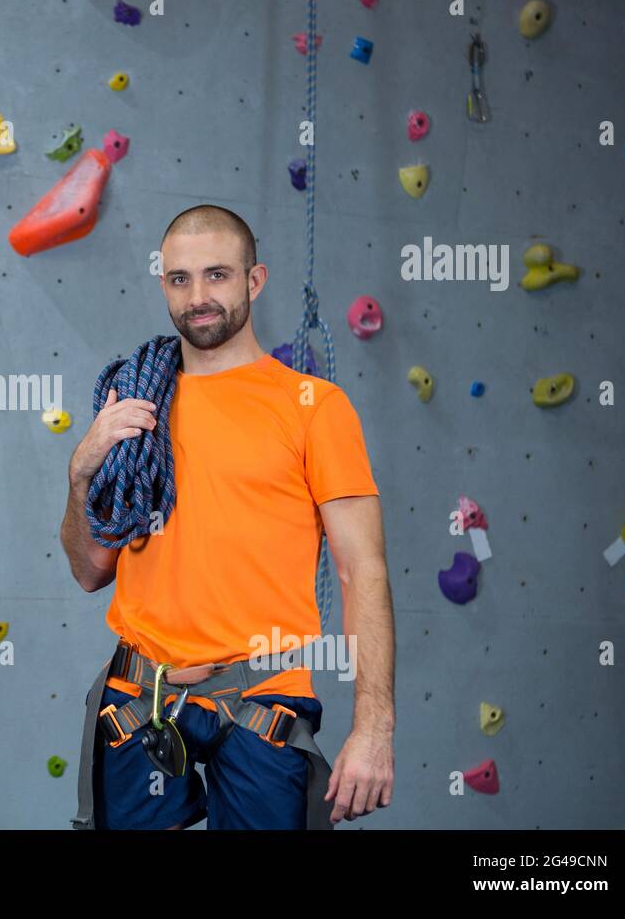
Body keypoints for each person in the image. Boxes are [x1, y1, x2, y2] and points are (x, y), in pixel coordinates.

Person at [60, 205, 395, 829]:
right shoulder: (137, 401)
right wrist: (82, 471)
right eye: (180, 278)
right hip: (142, 695)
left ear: (255, 280)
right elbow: (88, 570)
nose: (198, 296)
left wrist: (373, 729)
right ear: (163, 284)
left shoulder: (313, 408)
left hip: (263, 697)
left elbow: (362, 572)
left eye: (217, 275)